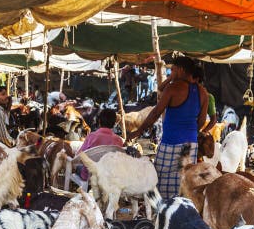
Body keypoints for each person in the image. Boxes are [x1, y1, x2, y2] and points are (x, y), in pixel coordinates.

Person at [132, 56, 207, 199]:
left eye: (172, 69)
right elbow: (202, 121)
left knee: (161, 177)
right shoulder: (202, 92)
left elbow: (155, 113)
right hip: (191, 143)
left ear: (180, 70)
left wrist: (139, 131)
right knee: (184, 178)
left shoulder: (174, 88)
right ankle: (181, 207)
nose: (171, 72)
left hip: (170, 142)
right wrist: (190, 132)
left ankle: (164, 211)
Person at [78, 108, 124, 180]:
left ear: (99, 121)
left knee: (77, 167)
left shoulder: (92, 136)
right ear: (114, 123)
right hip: (108, 177)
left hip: (90, 176)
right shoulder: (119, 140)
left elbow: (79, 156)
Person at [193, 65, 217, 138]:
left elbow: (213, 120)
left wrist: (204, 131)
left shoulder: (208, 97)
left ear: (196, 79)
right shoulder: (186, 93)